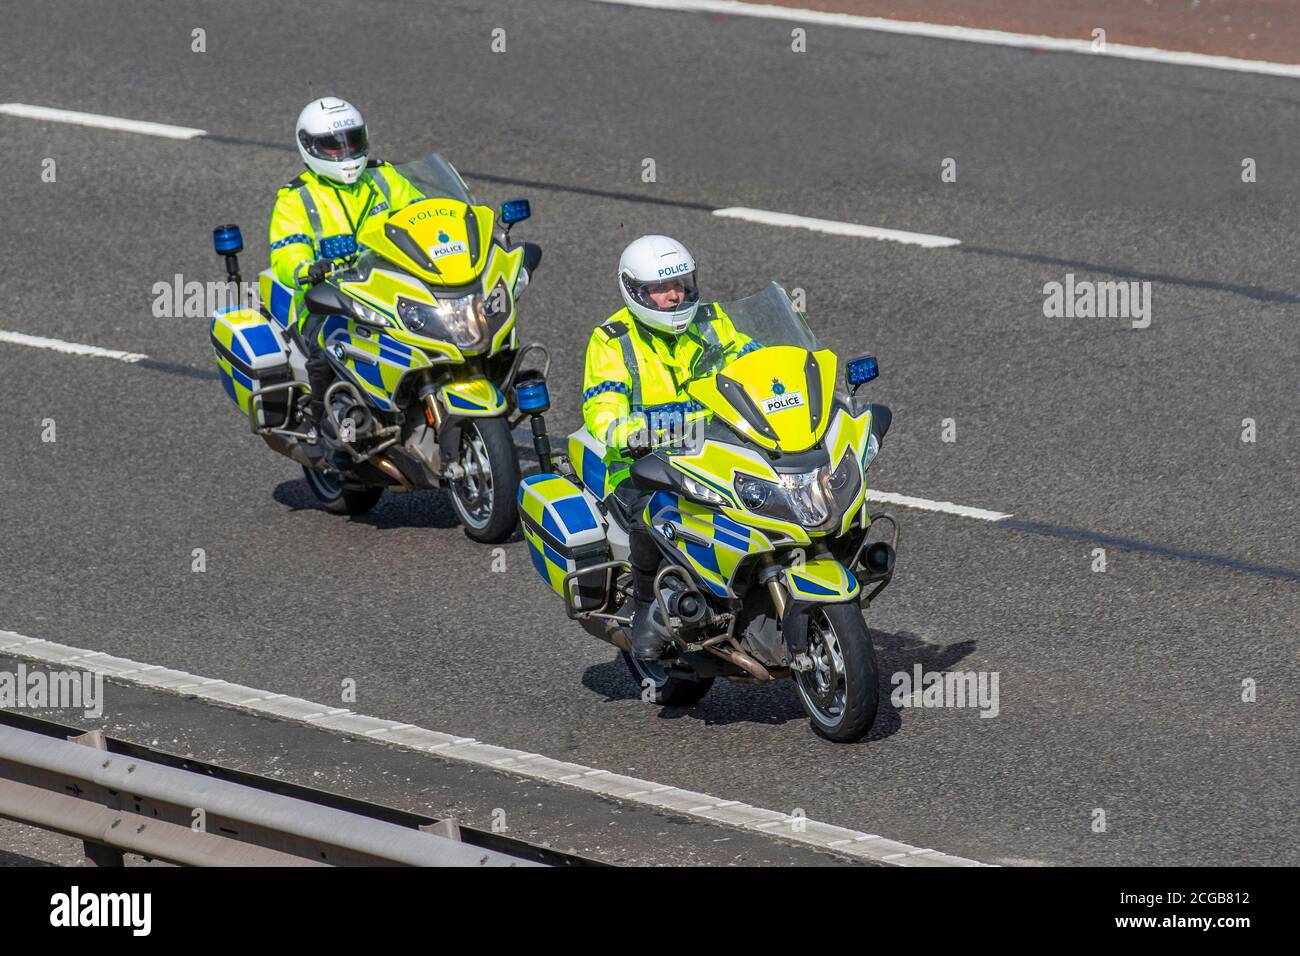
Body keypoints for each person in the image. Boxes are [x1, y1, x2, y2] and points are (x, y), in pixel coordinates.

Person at [581, 235, 758, 660]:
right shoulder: (612, 341)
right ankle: (647, 610)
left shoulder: (713, 323)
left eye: (680, 283)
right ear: (634, 291)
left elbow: (755, 363)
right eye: (661, 289)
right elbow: (602, 413)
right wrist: (635, 433)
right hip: (640, 465)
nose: (674, 295)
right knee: (654, 512)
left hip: (717, 448)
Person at [268, 97, 423, 430]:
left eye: (351, 142)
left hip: (390, 290)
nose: (345, 153)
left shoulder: (383, 178)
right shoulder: (296, 198)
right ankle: (325, 423)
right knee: (331, 347)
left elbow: (425, 213)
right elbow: (286, 251)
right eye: (333, 147)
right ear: (309, 147)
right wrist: (306, 269)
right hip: (328, 303)